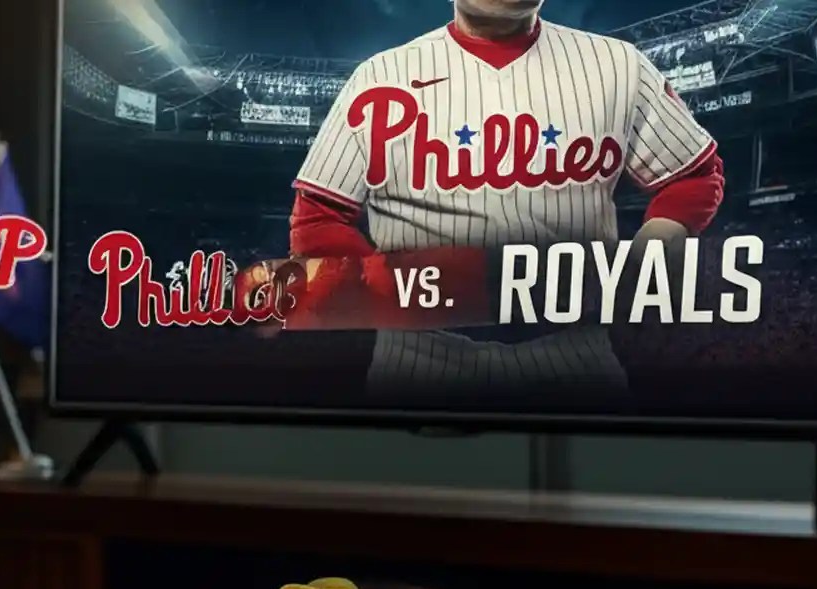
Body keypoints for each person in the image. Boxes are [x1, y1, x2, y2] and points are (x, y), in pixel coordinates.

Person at [245, 0, 725, 408]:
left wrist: (658, 237)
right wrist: (400, 294)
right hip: (419, 361)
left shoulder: (617, 65)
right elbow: (318, 217)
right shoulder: (380, 76)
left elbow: (693, 173)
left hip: (576, 351)